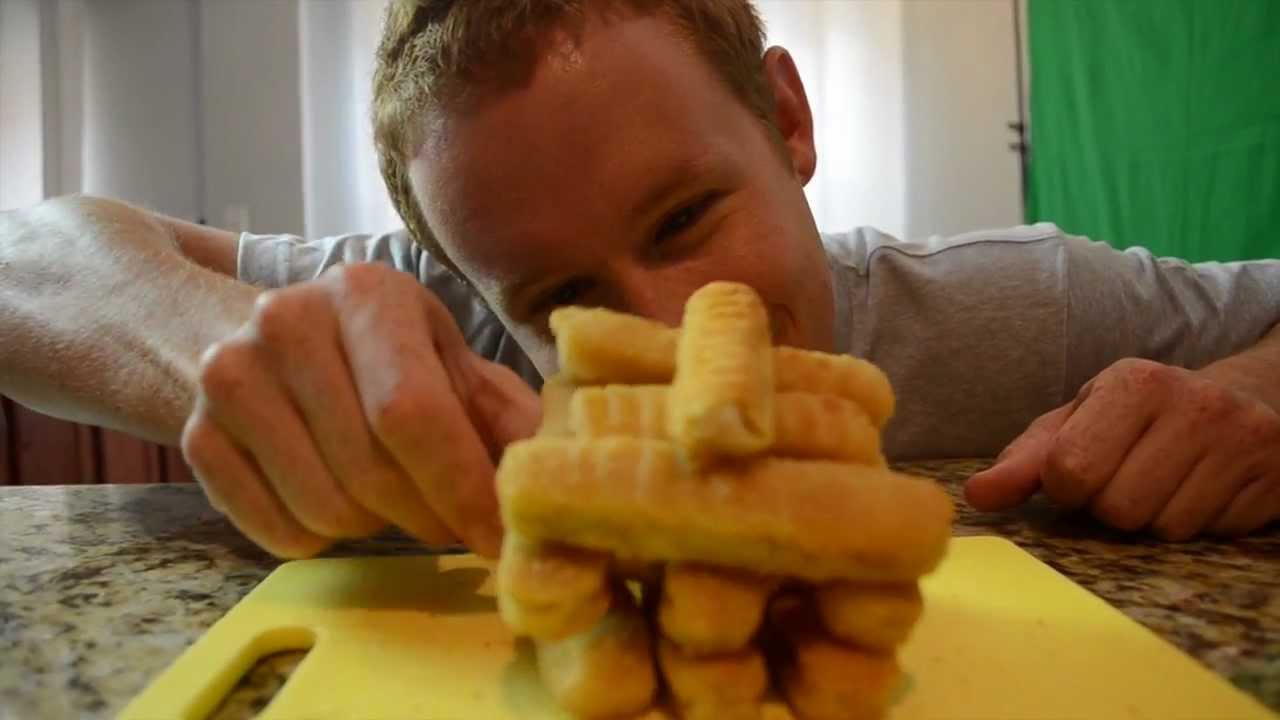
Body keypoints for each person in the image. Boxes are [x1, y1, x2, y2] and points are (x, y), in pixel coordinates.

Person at [1, 0, 1277, 559]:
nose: (662, 328)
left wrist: (1252, 393)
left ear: (786, 122)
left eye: (683, 218)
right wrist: (231, 353)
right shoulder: (438, 321)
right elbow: (28, 259)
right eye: (557, 301)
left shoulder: (1016, 305)